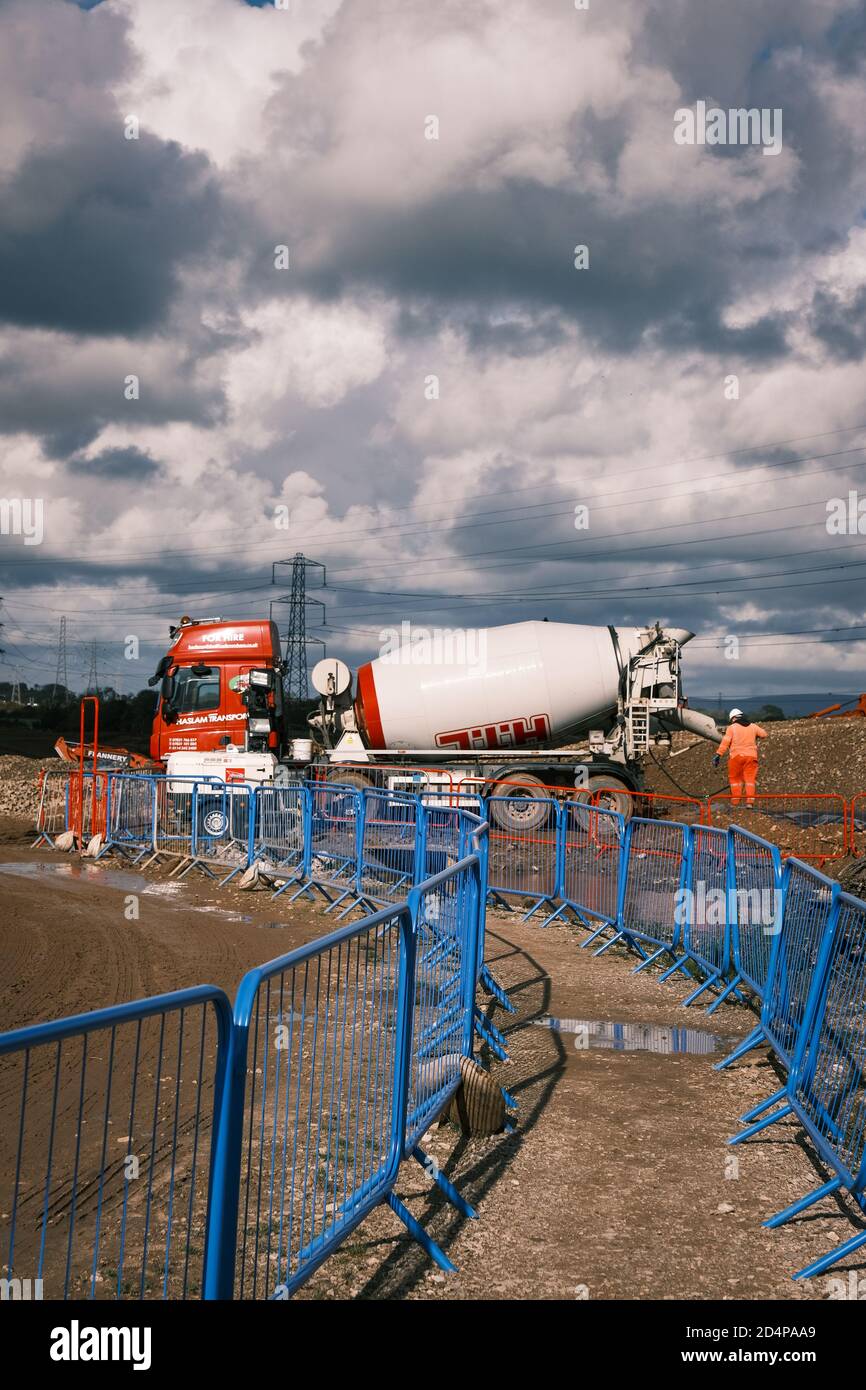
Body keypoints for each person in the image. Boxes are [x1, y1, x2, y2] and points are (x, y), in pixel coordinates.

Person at [712, 708, 767, 809]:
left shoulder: (732, 728)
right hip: (751, 757)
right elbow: (764, 734)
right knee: (750, 780)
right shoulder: (753, 726)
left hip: (736, 757)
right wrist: (755, 736)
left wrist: (718, 755)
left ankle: (735, 803)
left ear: (733, 718)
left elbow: (725, 742)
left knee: (735, 780)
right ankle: (749, 803)